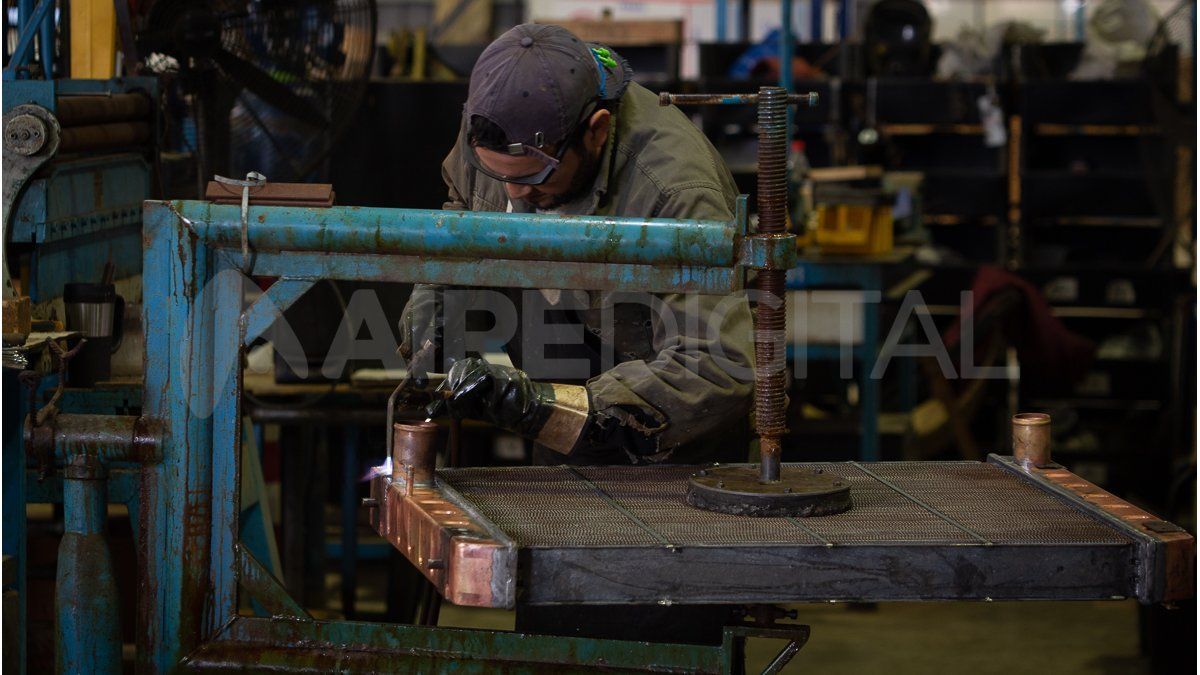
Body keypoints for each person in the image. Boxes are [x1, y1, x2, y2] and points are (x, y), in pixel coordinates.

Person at [401, 24, 754, 642]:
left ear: (594, 131)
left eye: (533, 179)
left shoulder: (674, 188)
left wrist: (548, 407)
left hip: (670, 434)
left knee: (645, 624)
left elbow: (719, 365)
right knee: (554, 611)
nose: (514, 195)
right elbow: (462, 213)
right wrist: (433, 320)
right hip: (567, 378)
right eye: (500, 176)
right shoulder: (497, 122)